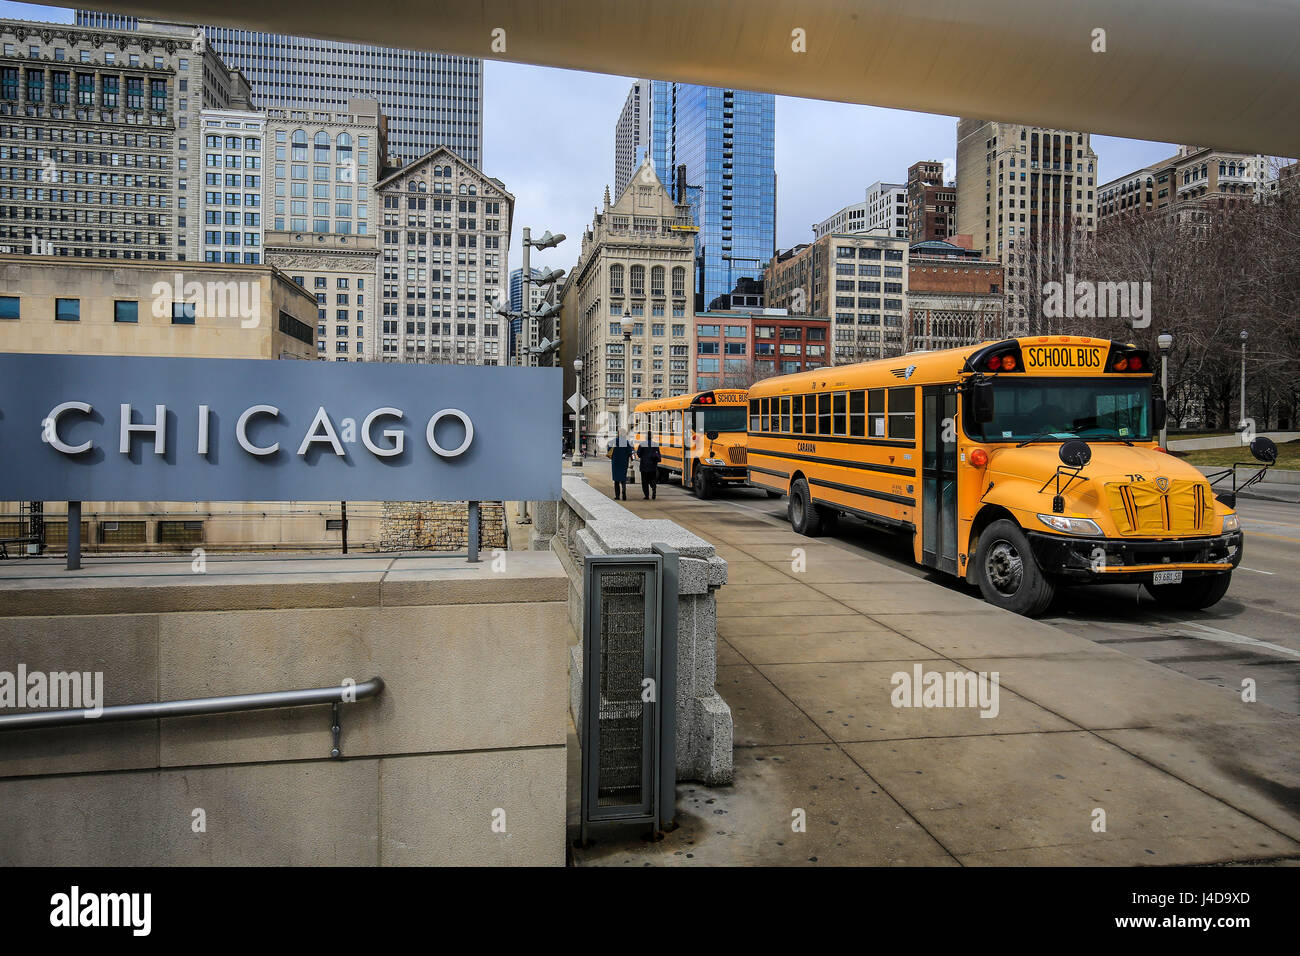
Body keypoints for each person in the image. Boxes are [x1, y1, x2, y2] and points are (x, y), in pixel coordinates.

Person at [607, 428, 634, 500]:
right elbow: (629, 452)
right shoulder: (626, 442)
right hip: (624, 463)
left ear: (618, 434)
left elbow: (609, 451)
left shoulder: (613, 441)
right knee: (623, 479)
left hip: (615, 463)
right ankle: (624, 491)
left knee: (616, 480)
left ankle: (617, 496)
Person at [636, 436, 662, 500]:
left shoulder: (642, 444)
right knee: (652, 479)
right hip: (653, 466)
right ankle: (653, 489)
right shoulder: (655, 445)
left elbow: (638, 454)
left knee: (644, 481)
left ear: (645, 437)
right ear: (652, 437)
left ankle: (647, 495)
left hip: (644, 466)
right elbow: (658, 454)